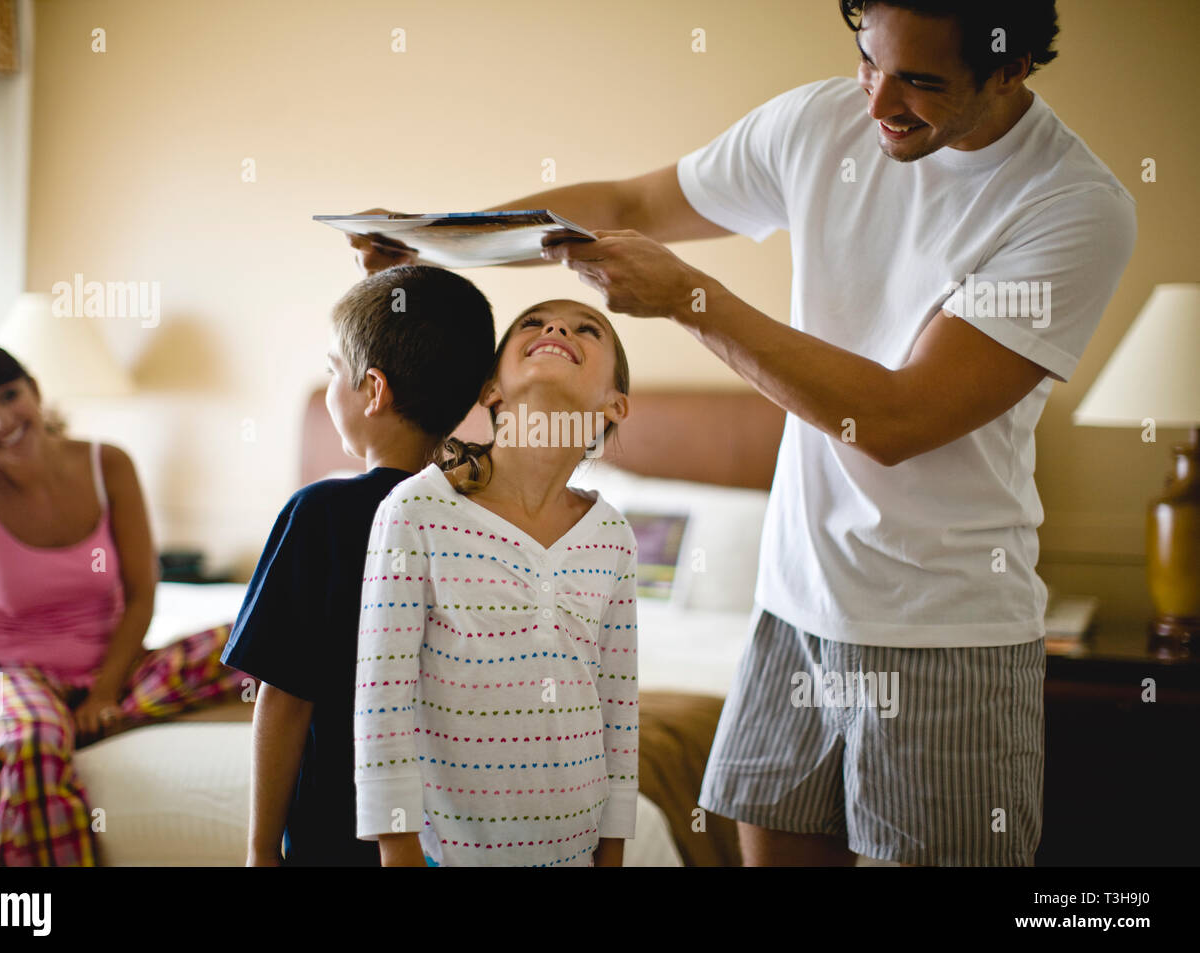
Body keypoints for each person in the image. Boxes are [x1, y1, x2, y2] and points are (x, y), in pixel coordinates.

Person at [350, 1, 1136, 866]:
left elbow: (894, 419)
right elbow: (629, 203)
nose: (879, 104)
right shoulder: (819, 122)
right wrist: (439, 241)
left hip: (944, 638)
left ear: (1011, 65)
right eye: (869, 61)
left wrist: (694, 299)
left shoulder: (1072, 206)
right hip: (792, 610)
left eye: (922, 81)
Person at [0, 338, 245, 866]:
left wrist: (103, 693)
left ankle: (85, 721)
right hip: (6, 674)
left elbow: (141, 592)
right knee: (28, 746)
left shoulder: (109, 465)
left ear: (35, 391)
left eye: (9, 395)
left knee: (261, 641)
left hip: (116, 672)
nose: (0, 420)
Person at [222, 265, 496, 866]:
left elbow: (284, 696)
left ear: (373, 390)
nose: (327, 387)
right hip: (459, 836)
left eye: (331, 371)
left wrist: (259, 853)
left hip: (338, 833)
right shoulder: (486, 517)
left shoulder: (322, 512)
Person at [354, 297, 638, 867]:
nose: (556, 328)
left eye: (588, 329)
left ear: (614, 405)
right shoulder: (416, 509)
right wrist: (400, 853)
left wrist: (611, 854)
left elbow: (619, 711)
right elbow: (382, 701)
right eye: (533, 324)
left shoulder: (614, 535)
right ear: (491, 390)